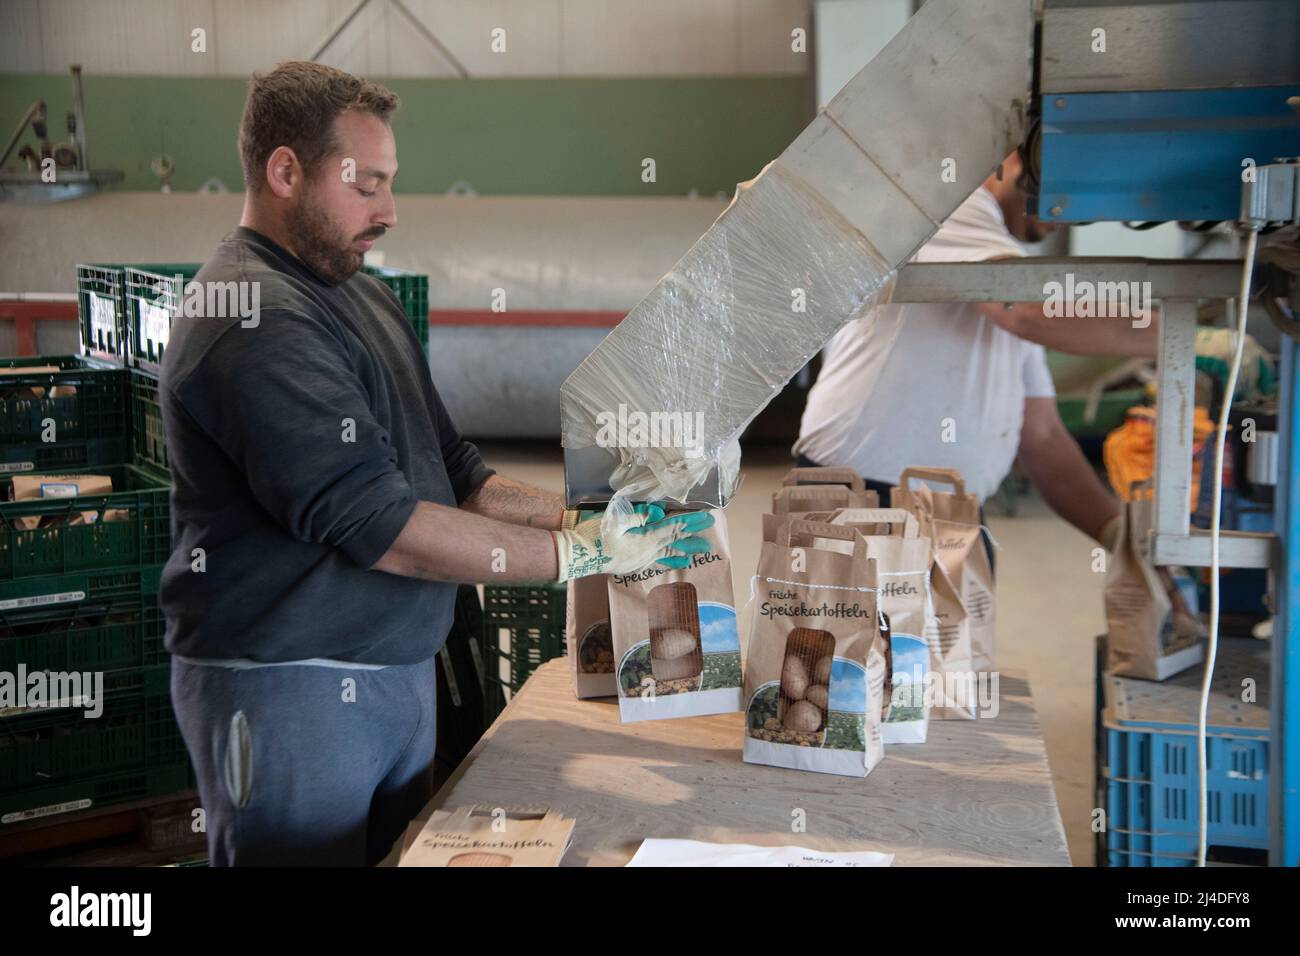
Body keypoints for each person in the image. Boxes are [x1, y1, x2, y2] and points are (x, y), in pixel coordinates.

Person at [160, 61, 709, 866]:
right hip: (291, 685)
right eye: (366, 185)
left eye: (390, 184)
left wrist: (581, 519)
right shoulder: (254, 318)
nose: (388, 211)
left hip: (393, 671)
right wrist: (583, 558)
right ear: (284, 171)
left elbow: (458, 475)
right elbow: (385, 530)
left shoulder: (359, 292)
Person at [794, 148, 1159, 560]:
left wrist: (1119, 537)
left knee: (951, 626)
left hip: (949, 513)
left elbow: (1042, 437)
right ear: (1020, 157)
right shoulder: (949, 209)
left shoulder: (1005, 262)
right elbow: (1025, 311)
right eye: (1068, 192)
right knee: (847, 626)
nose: (1067, 218)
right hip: (864, 498)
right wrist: (1187, 337)